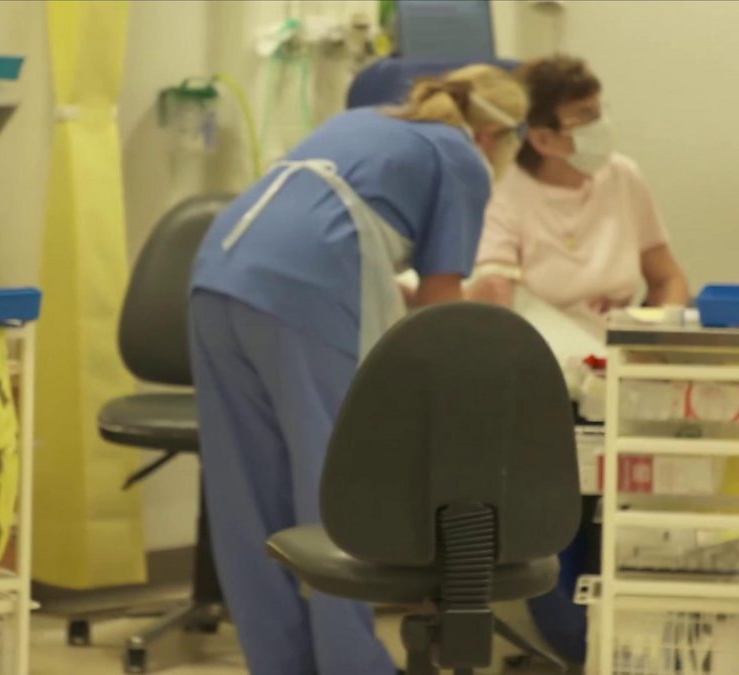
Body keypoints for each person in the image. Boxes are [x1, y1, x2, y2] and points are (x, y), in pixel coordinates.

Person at [188, 64, 528, 675]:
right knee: (333, 488)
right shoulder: (462, 158)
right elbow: (442, 302)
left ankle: (279, 664)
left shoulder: (364, 121)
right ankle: (350, 665)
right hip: (302, 291)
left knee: (245, 492)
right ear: (496, 135)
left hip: (217, 275)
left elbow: (340, 229)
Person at [468, 56, 689, 337]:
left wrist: (659, 334)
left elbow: (667, 279)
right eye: (586, 117)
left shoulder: (623, 176)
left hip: (618, 348)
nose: (601, 126)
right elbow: (493, 291)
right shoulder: (503, 191)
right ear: (542, 139)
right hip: (542, 349)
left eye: (599, 112)